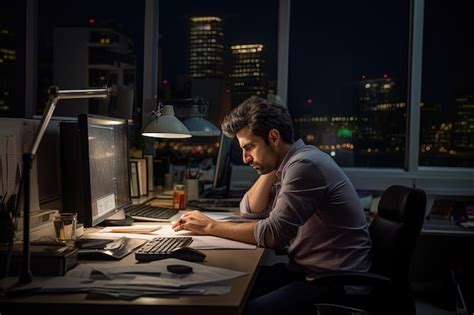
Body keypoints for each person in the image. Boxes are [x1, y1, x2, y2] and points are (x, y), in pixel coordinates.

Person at [172, 96, 372, 314]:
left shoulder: (305, 165)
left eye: (249, 147)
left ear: (274, 137)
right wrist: (271, 166)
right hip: (309, 272)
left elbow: (273, 234)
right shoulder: (291, 163)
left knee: (240, 304)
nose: (245, 158)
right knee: (217, 287)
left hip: (334, 283)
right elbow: (249, 210)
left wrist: (209, 226)